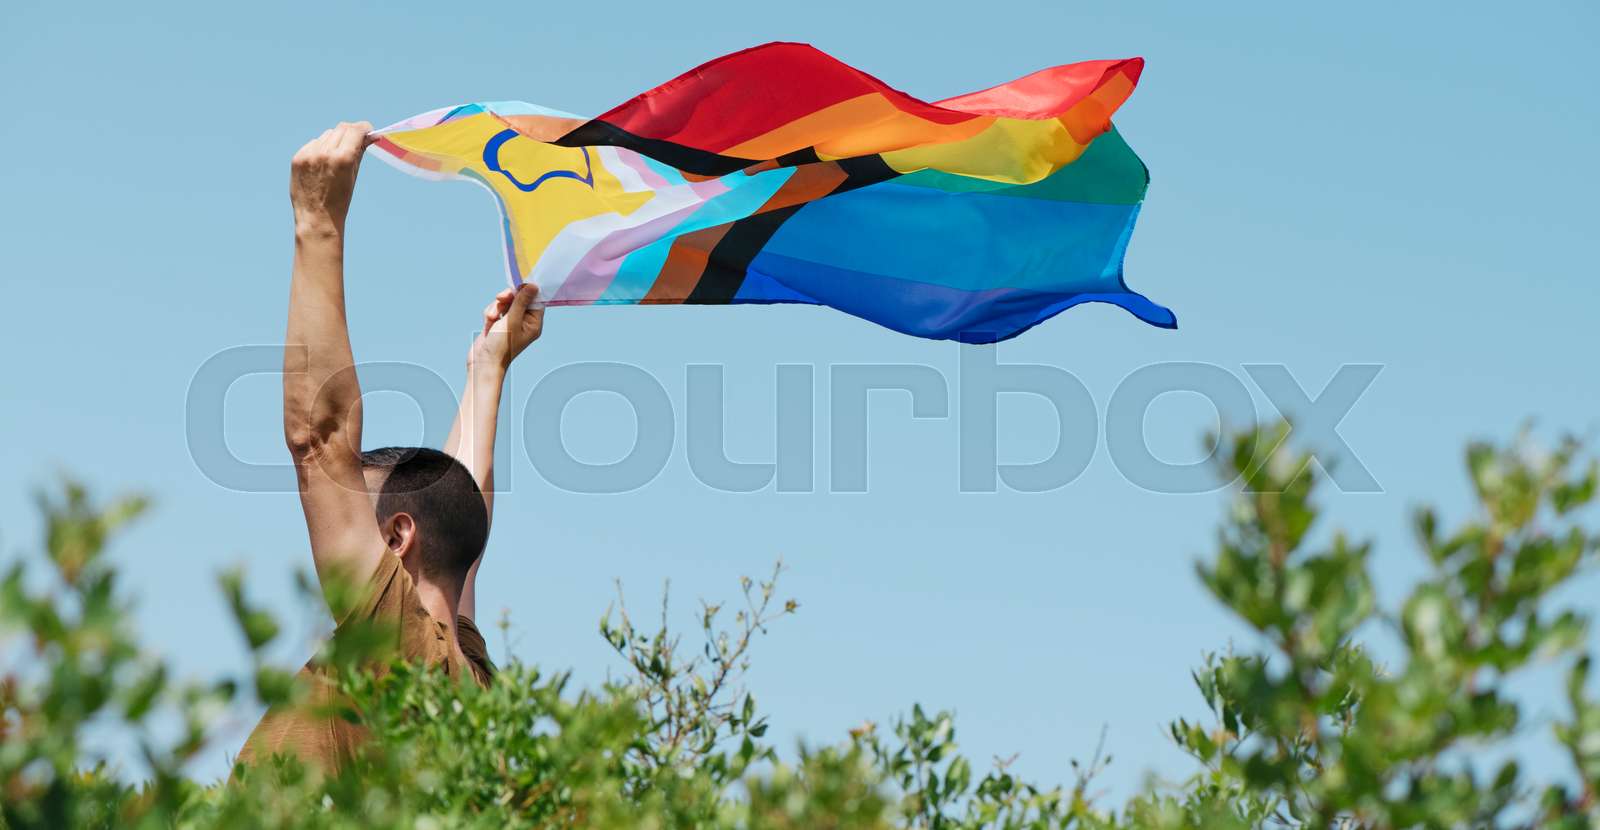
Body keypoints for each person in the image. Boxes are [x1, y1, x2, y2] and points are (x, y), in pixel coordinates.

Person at [234, 121, 544, 774]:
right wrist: (488, 370)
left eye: (355, 516)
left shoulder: (399, 652)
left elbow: (317, 442)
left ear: (397, 539)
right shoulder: (472, 685)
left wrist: (317, 223)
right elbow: (461, 510)